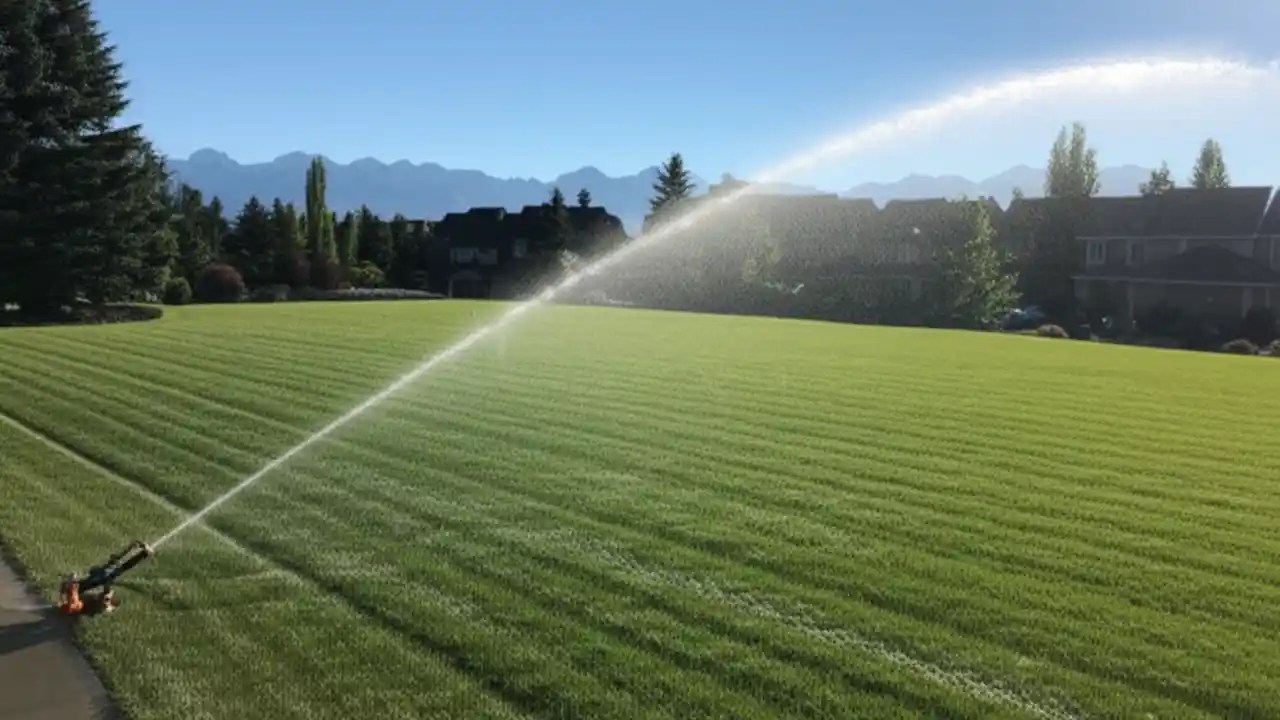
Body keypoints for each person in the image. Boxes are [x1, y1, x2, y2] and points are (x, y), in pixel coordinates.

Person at [57, 540, 152, 616]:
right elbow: (73, 601)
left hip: (95, 581)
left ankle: (138, 550)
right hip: (96, 582)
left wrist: (72, 582)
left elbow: (69, 592)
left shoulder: (77, 596)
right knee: (116, 567)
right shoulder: (81, 602)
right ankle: (140, 552)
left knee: (115, 566)